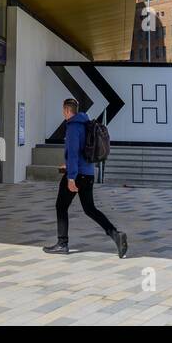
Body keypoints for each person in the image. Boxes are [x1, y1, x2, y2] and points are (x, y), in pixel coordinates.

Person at [43, 98, 128, 257]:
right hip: (88, 173)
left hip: (77, 175)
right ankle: (116, 235)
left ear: (67, 111)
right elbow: (82, 152)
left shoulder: (73, 127)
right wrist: (69, 166)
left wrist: (71, 177)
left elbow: (74, 153)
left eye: (63, 111)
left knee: (61, 206)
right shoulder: (86, 124)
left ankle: (62, 244)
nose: (63, 113)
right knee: (90, 209)